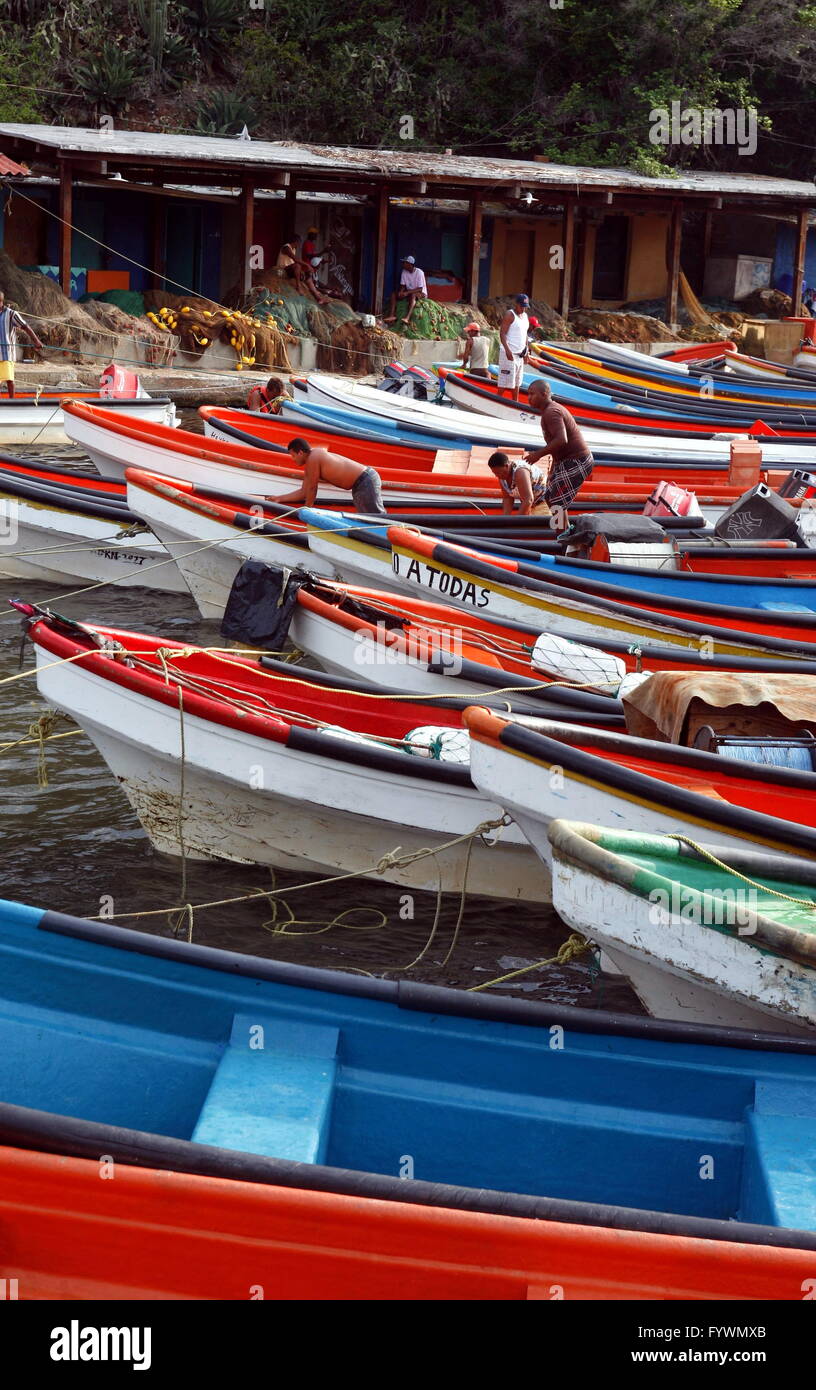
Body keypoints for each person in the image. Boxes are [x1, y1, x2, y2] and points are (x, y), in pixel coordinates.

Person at [525, 378, 594, 520]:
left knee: (556, 501)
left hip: (577, 460)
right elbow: (556, 445)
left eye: (532, 394)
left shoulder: (552, 412)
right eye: (528, 394)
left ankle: (563, 535)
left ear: (544, 394)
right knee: (550, 497)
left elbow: (561, 440)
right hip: (566, 461)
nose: (529, 398)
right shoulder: (548, 412)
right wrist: (552, 471)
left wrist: (537, 455)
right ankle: (563, 532)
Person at [278, 437, 387, 515]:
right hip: (360, 484)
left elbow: (312, 489)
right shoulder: (311, 462)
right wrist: (278, 499)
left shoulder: (313, 458)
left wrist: (307, 512)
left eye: (293, 456)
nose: (293, 459)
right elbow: (304, 492)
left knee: (376, 518)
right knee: (367, 518)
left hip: (365, 480)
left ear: (300, 453)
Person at [0, 290, 43, 399]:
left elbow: (25, 326)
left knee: (9, 379)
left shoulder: (11, 314)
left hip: (6, 353)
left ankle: (12, 402)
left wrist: (36, 341)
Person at [487, 450, 551, 516]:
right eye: (495, 473)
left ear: (506, 466)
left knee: (537, 525)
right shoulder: (502, 476)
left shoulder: (520, 472)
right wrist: (505, 519)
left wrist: (517, 522)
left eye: (498, 473)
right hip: (531, 505)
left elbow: (528, 500)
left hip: (544, 502)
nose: (497, 476)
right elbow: (507, 497)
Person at [276, 235, 329, 305]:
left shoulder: (293, 249)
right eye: (299, 243)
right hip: (282, 270)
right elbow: (296, 259)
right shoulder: (286, 247)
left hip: (290, 270)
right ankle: (298, 287)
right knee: (298, 265)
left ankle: (318, 298)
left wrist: (304, 271)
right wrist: (307, 265)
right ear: (296, 242)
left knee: (307, 274)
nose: (299, 245)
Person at [497, 293, 530, 400]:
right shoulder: (510, 315)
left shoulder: (525, 316)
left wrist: (527, 351)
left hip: (520, 354)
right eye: (521, 306)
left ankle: (515, 403)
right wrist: (507, 350)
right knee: (505, 381)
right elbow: (502, 333)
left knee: (517, 382)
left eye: (525, 307)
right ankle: (496, 400)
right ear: (516, 304)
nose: (523, 309)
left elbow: (525, 334)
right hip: (509, 353)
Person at [383, 256, 428, 326]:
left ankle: (407, 317)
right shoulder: (404, 271)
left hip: (421, 293)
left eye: (404, 263)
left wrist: (407, 292)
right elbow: (403, 286)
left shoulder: (419, 272)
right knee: (394, 294)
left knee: (413, 295)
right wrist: (401, 291)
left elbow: (420, 289)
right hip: (409, 292)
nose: (403, 264)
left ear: (409, 264)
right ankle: (392, 316)